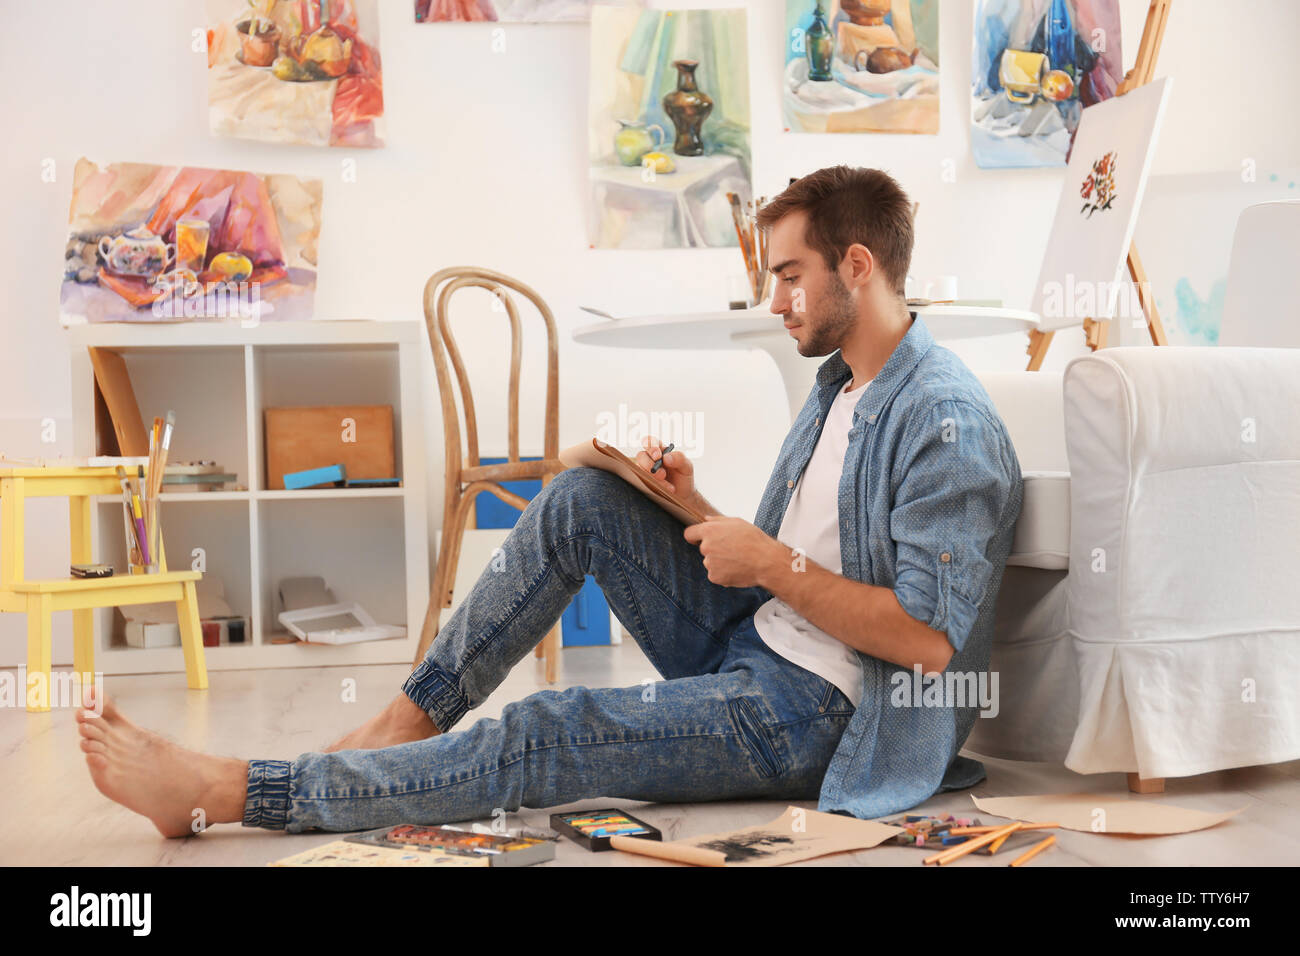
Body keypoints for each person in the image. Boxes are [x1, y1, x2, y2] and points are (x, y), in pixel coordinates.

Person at [78, 166, 1022, 837]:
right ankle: (409, 720)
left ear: (857, 265)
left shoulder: (945, 421)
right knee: (580, 498)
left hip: (819, 714)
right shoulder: (841, 388)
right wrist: (694, 508)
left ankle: (233, 790)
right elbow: (809, 563)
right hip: (758, 638)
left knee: (551, 730)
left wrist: (769, 561)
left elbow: (929, 642)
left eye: (788, 274)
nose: (775, 298)